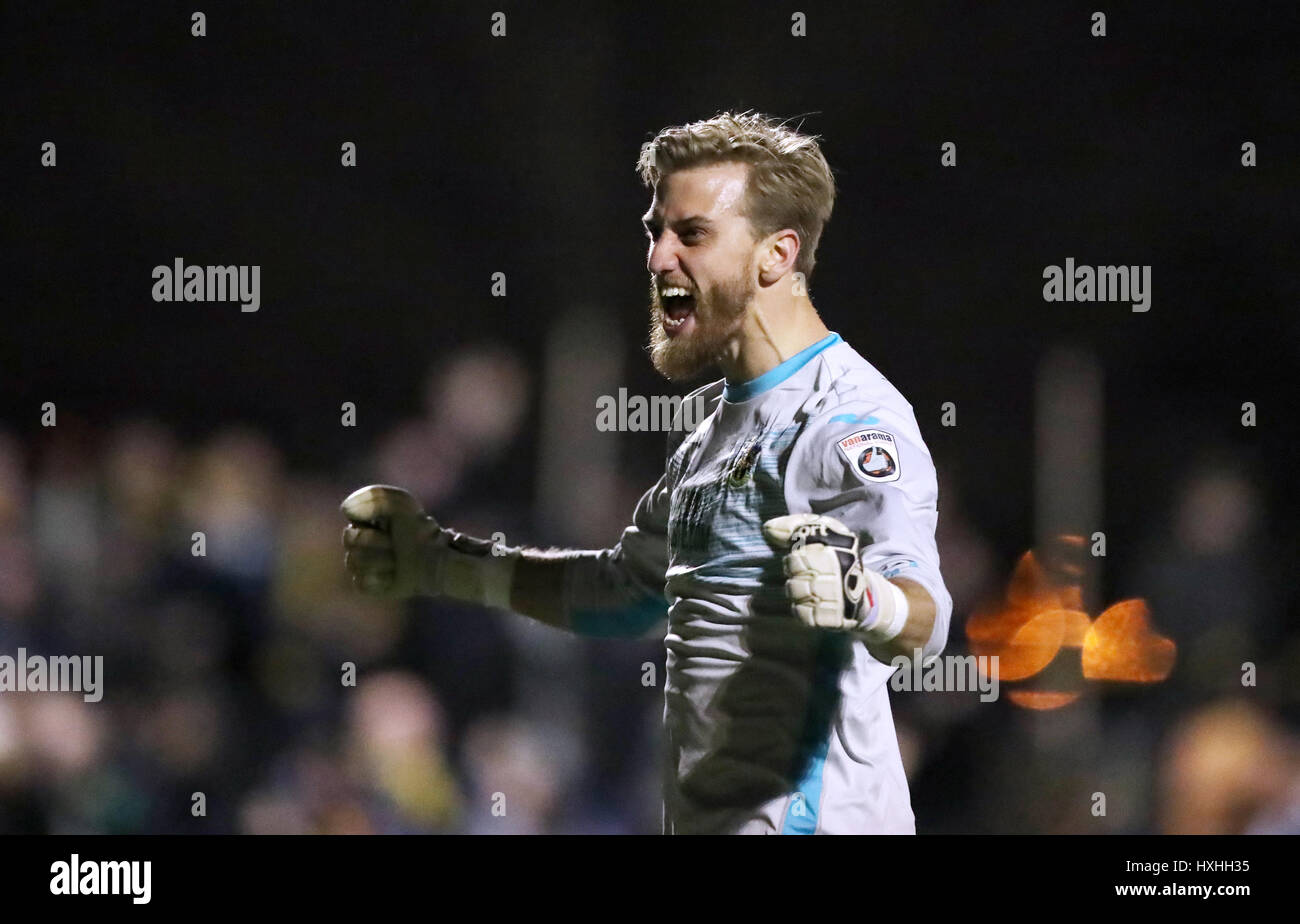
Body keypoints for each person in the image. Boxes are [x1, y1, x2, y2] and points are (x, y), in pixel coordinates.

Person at [342, 111, 951, 834]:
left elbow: (926, 616)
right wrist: (445, 563)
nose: (660, 257)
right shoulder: (708, 434)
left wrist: (863, 597)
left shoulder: (845, 418)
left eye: (692, 234)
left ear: (776, 254)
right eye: (655, 231)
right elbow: (624, 591)